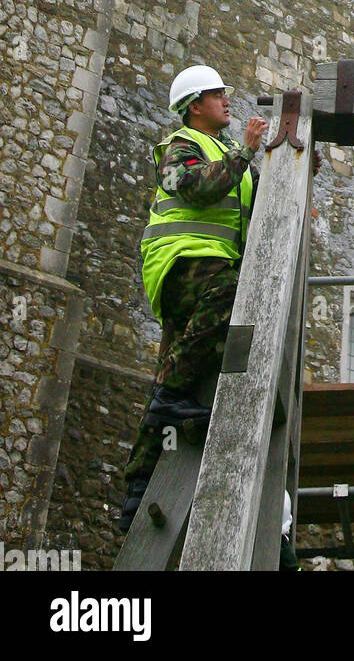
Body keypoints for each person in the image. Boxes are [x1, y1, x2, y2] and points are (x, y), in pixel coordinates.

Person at [118, 65, 272, 531]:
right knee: (231, 291)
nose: (227, 99)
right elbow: (201, 189)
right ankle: (170, 402)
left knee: (170, 373)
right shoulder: (178, 148)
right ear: (194, 106)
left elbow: (262, 203)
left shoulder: (229, 156)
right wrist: (247, 149)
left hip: (205, 270)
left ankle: (137, 489)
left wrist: (296, 177)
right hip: (181, 264)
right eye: (217, 94)